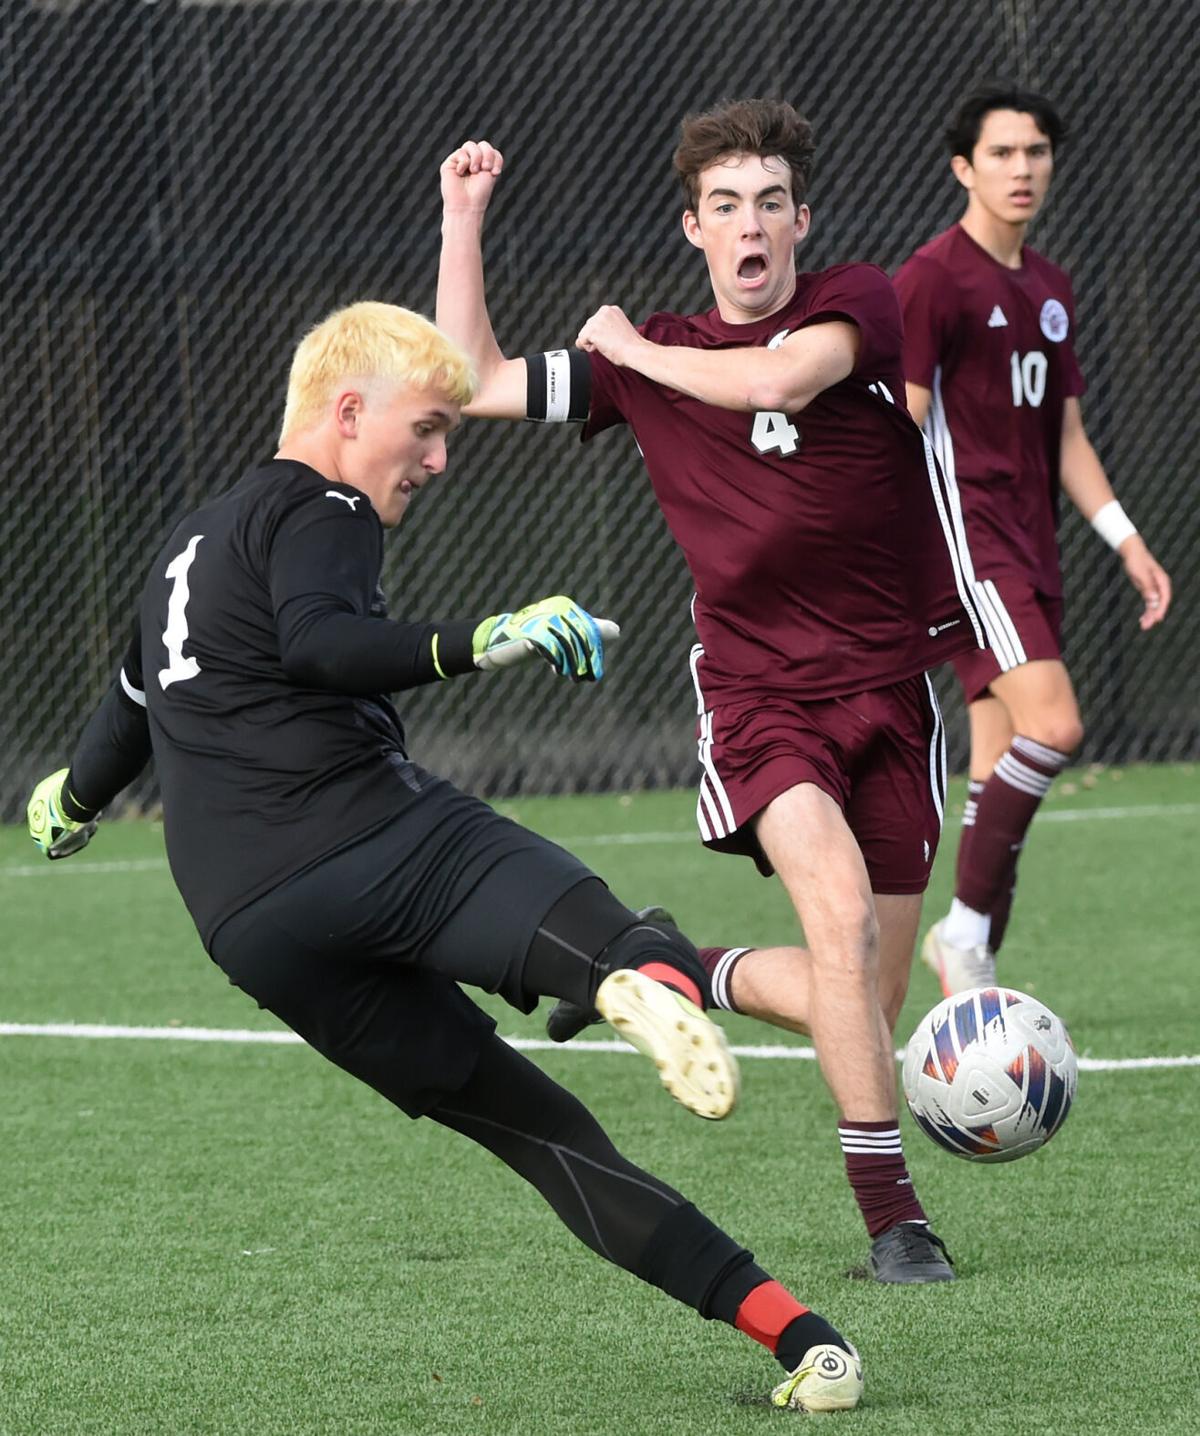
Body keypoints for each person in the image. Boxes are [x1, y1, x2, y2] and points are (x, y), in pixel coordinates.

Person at [25, 301, 864, 1414]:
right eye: (426, 428)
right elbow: (318, 642)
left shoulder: (184, 544)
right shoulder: (321, 503)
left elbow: (129, 708)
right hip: (356, 829)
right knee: (607, 927)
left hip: (248, 925)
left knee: (541, 1133)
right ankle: (628, 972)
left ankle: (800, 1336)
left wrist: (69, 801)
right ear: (347, 407)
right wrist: (483, 636)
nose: (437, 458)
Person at [437, 99, 988, 1283]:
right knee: (835, 923)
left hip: (893, 689)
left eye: (771, 202)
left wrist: (630, 350)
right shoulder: (656, 355)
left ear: (803, 219)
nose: (752, 225)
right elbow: (472, 379)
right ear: (694, 227)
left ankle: (677, 961)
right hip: (760, 697)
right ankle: (896, 1219)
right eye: (727, 205)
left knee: (869, 1005)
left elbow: (778, 380)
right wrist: (463, 216)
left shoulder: (855, 301)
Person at [893, 85, 1173, 994]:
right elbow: (903, 423)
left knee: (996, 766)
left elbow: (1069, 438)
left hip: (1032, 545)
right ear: (963, 168)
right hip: (970, 546)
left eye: (1037, 152)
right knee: (1056, 726)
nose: (1023, 168)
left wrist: (1126, 541)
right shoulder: (933, 277)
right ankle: (965, 934)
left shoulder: (1051, 286)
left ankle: (971, 998)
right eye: (1003, 153)